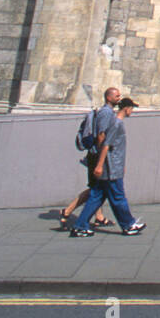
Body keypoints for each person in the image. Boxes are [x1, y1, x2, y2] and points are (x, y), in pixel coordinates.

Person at [69, 98, 145, 236]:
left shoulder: (115, 123)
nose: (132, 112)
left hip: (111, 166)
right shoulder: (117, 124)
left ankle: (80, 226)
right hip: (111, 168)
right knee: (118, 197)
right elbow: (106, 144)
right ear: (126, 108)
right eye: (131, 109)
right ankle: (128, 224)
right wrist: (99, 165)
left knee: (96, 197)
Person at [61, 86, 122, 229]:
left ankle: (99, 217)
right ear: (109, 97)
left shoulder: (107, 112)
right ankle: (67, 211)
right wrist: (102, 158)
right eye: (117, 96)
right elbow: (102, 136)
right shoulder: (106, 113)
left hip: (96, 155)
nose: (119, 98)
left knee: (97, 187)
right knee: (96, 189)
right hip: (97, 155)